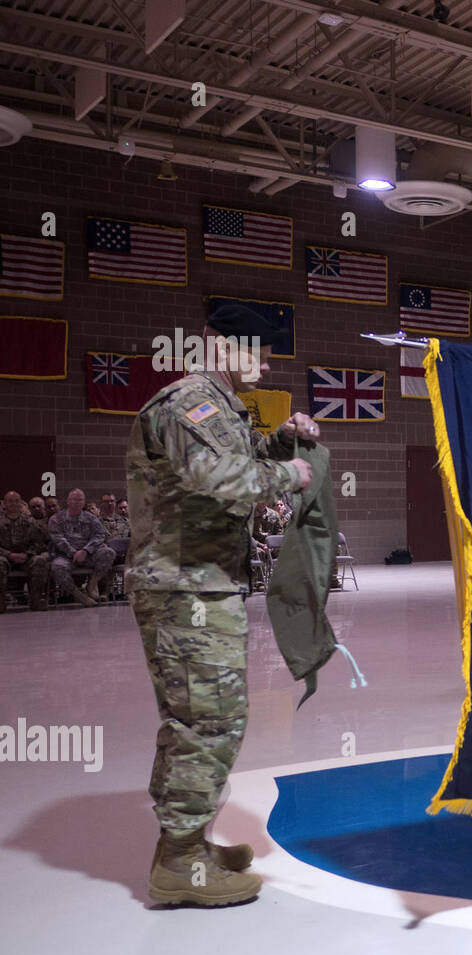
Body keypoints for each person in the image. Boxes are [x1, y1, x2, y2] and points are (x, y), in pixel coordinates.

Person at [129, 303, 316, 906]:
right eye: (254, 349)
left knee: (207, 716)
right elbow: (215, 477)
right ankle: (180, 860)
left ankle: (189, 844)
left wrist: (281, 440)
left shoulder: (223, 406)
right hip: (187, 588)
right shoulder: (190, 402)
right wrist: (288, 473)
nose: (264, 362)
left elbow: (237, 459)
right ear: (215, 343)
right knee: (208, 719)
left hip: (204, 584)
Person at [48, 489, 115, 606]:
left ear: (84, 502)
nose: (77, 502)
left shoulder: (91, 518)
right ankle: (79, 596)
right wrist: (74, 553)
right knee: (57, 566)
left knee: (109, 552)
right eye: (74, 499)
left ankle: (91, 585)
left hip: (88, 554)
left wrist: (85, 550)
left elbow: (100, 535)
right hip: (66, 556)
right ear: (68, 501)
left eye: (80, 500)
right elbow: (58, 539)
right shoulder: (56, 519)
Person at [0, 490, 51, 612]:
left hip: (25, 558)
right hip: (4, 557)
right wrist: (9, 554)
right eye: (10, 501)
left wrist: (27, 554)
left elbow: (38, 543)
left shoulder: (30, 521)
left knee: (39, 561)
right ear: (4, 504)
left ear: (21, 503)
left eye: (16, 501)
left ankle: (36, 601)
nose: (13, 504)